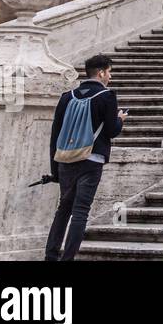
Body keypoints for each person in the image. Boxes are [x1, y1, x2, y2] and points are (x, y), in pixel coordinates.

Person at [45, 54, 126, 261]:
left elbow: (55, 134)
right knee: (80, 211)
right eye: (109, 72)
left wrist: (55, 170)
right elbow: (111, 131)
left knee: (63, 209)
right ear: (101, 72)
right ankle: (68, 258)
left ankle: (51, 256)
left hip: (65, 159)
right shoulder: (107, 96)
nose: (110, 76)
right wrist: (119, 119)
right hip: (91, 159)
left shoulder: (67, 96)